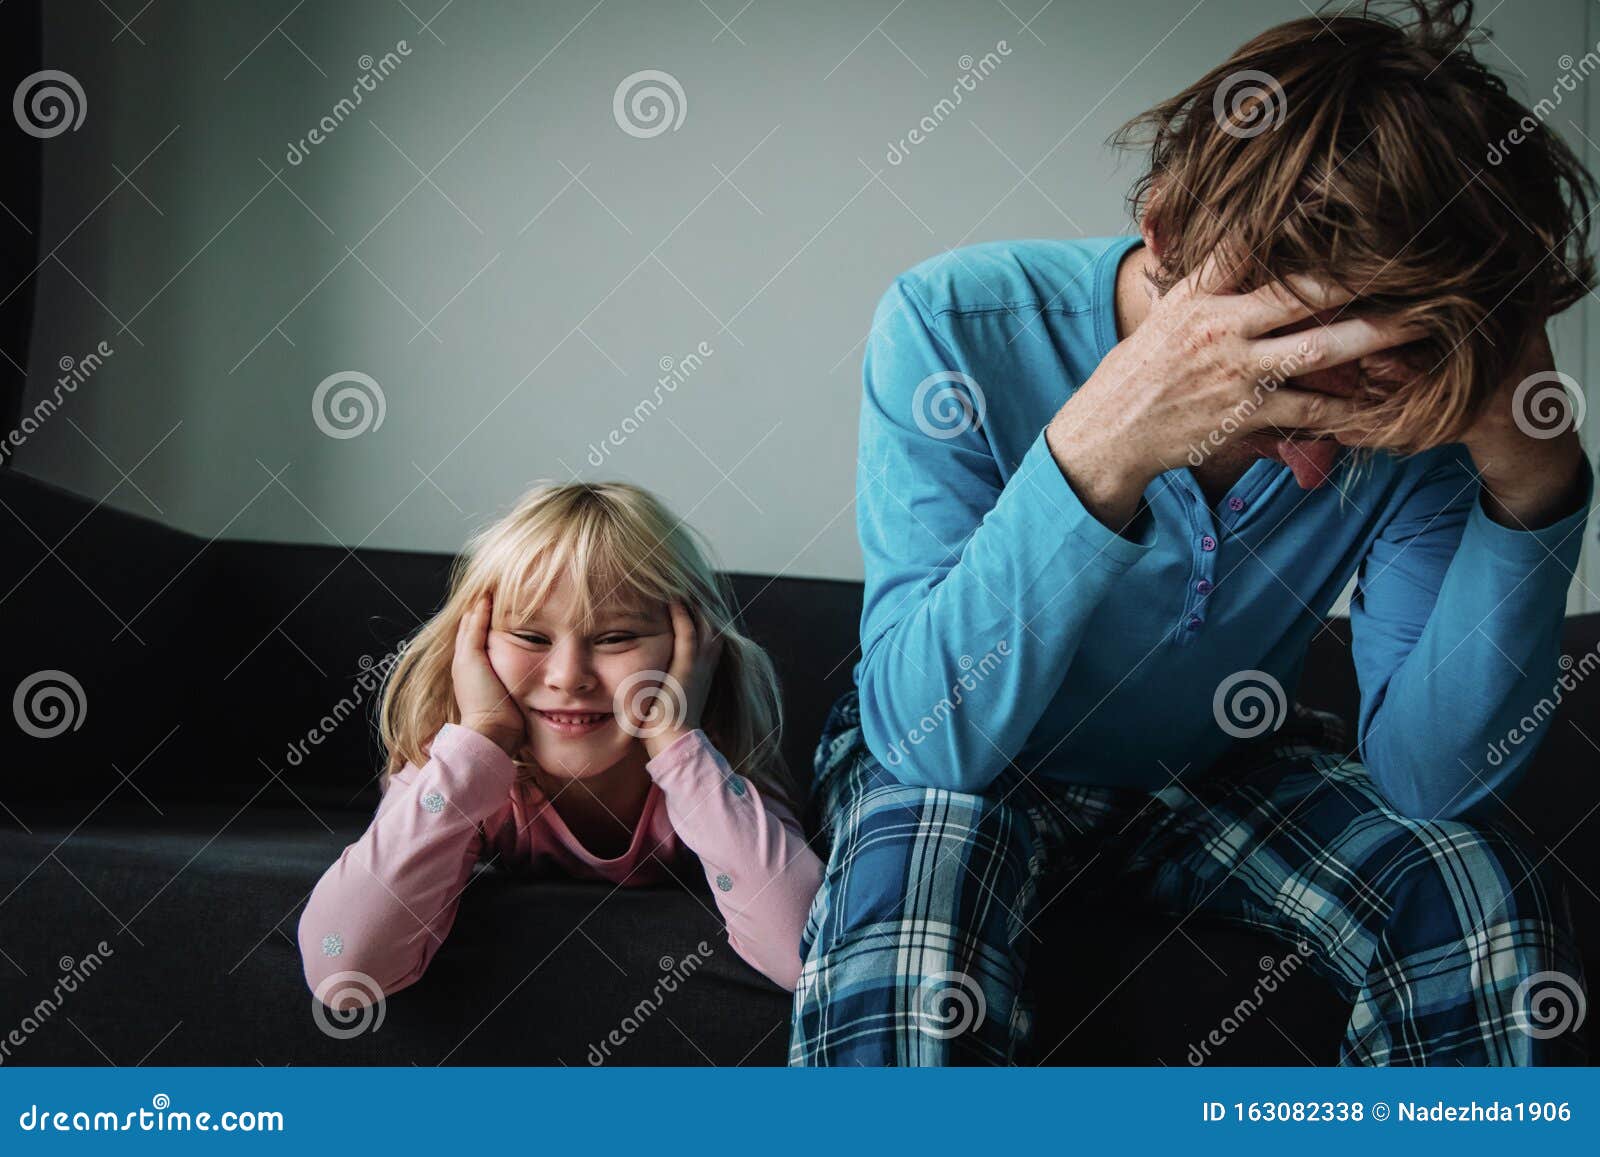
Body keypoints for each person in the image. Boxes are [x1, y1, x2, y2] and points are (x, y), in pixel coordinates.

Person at [790, 0, 1595, 1065]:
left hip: (1214, 758)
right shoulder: (951, 320)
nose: (1327, 439)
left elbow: (1430, 784)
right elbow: (929, 737)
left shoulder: (1422, 407)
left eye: (1381, 375)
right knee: (920, 860)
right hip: (969, 748)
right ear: (1169, 240)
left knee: (1465, 881)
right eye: (1294, 366)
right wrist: (1101, 448)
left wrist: (1532, 477)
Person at [298, 481, 824, 1010]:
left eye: (616, 637)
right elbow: (342, 968)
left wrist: (677, 744)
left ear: (697, 647)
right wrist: (480, 738)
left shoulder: (720, 775)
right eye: (530, 637)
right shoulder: (456, 769)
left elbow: (810, 959)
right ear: (473, 647)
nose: (568, 678)